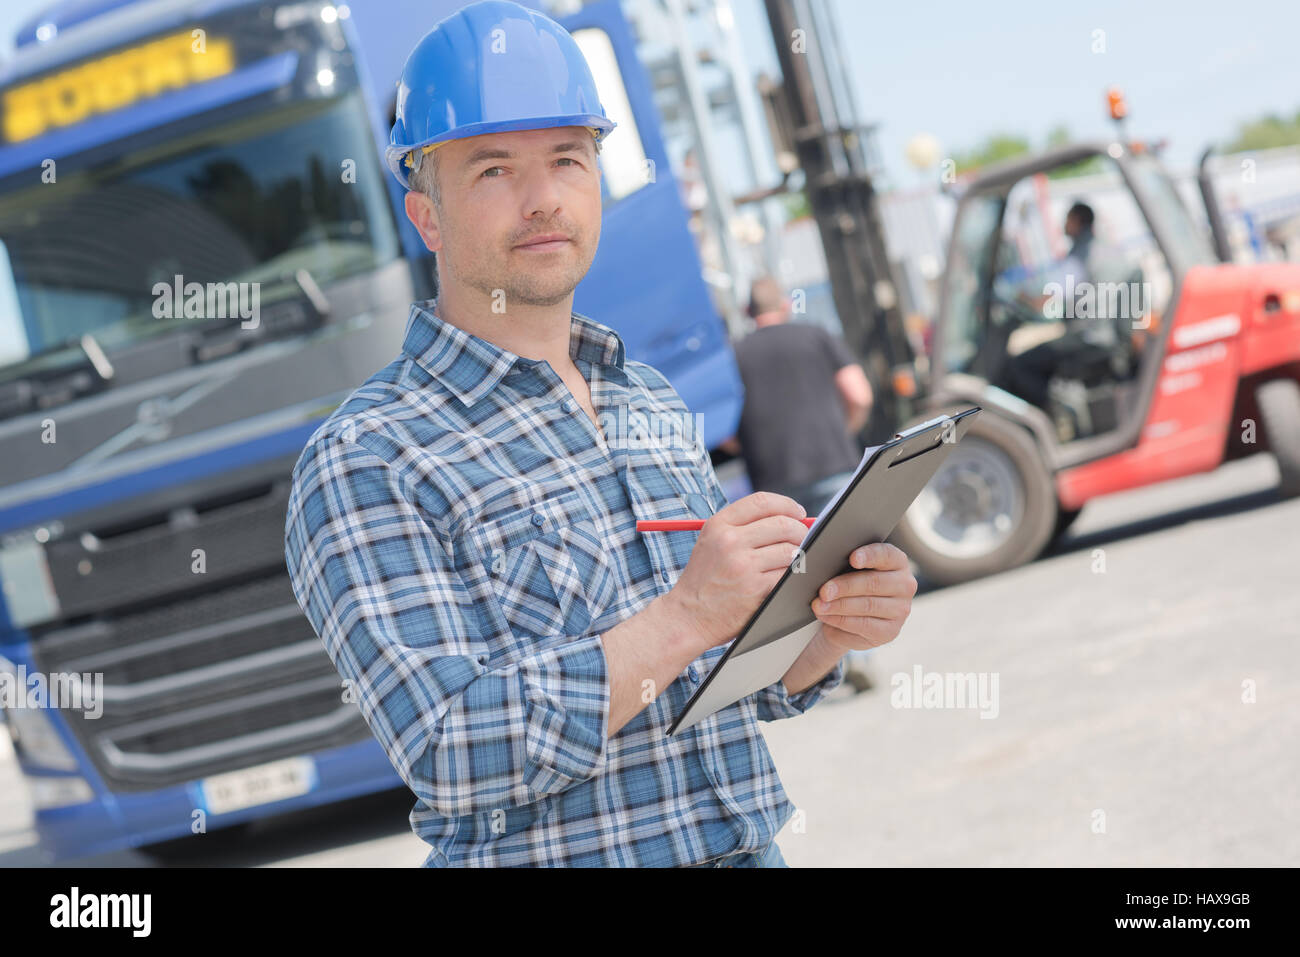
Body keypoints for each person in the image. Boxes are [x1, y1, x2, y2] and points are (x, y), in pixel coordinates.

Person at [283, 0, 917, 868]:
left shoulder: (646, 401)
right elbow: (449, 749)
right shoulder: (368, 458)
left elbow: (726, 688)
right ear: (426, 214)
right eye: (494, 169)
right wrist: (686, 612)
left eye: (568, 160)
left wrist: (825, 634)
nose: (543, 198)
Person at [721, 276, 873, 518]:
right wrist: (844, 431)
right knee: (851, 551)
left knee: (799, 556)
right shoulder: (816, 335)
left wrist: (752, 445)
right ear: (786, 305)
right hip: (833, 464)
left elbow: (722, 430)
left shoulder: (732, 356)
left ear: (747, 311)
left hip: (772, 485)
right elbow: (859, 395)